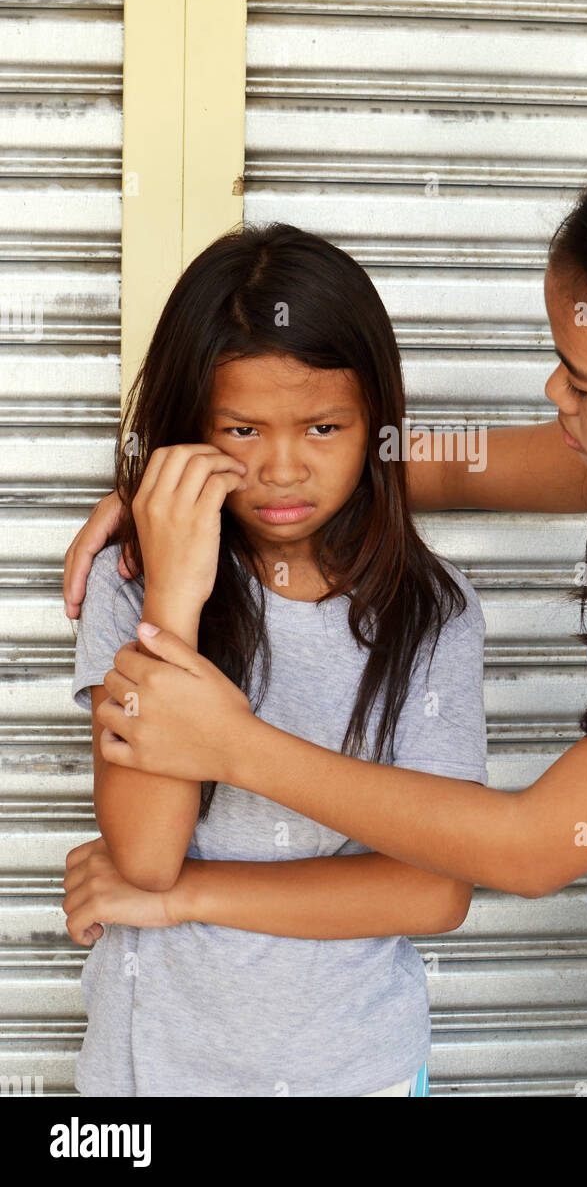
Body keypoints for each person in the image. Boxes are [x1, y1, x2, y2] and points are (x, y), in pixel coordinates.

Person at [65, 141, 587, 1097]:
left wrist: (236, 746)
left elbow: (534, 846)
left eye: (580, 378)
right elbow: (404, 457)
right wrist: (176, 490)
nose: (551, 395)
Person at [62, 222, 489, 1097]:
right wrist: (176, 598)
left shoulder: (432, 614)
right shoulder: (131, 584)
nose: (282, 469)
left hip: (353, 1069)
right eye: (242, 430)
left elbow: (435, 893)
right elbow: (142, 855)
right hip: (152, 1074)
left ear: (378, 424)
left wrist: (190, 896)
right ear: (188, 429)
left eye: (324, 426)